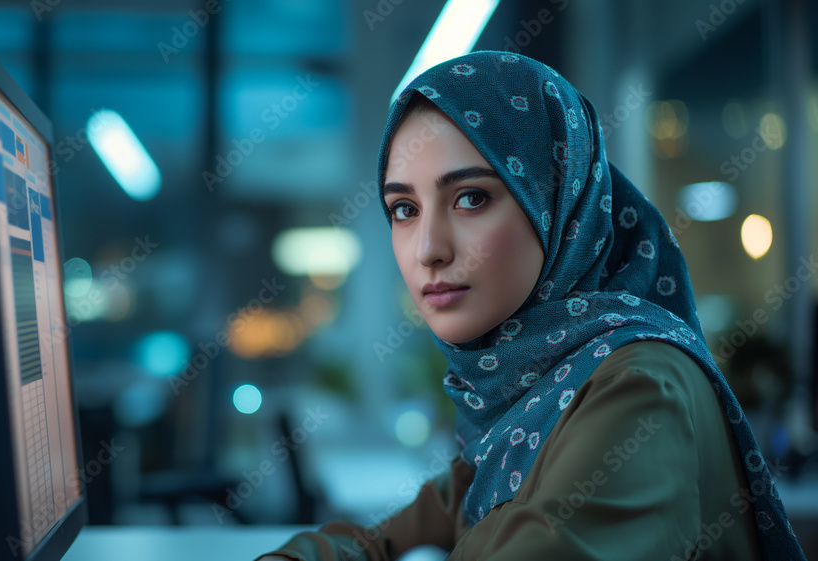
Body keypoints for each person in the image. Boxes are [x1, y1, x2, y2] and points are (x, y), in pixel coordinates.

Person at [255, 51, 806, 561]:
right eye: (404, 208)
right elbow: (380, 542)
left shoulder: (639, 387)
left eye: (472, 198)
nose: (428, 250)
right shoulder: (532, 393)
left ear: (560, 203)